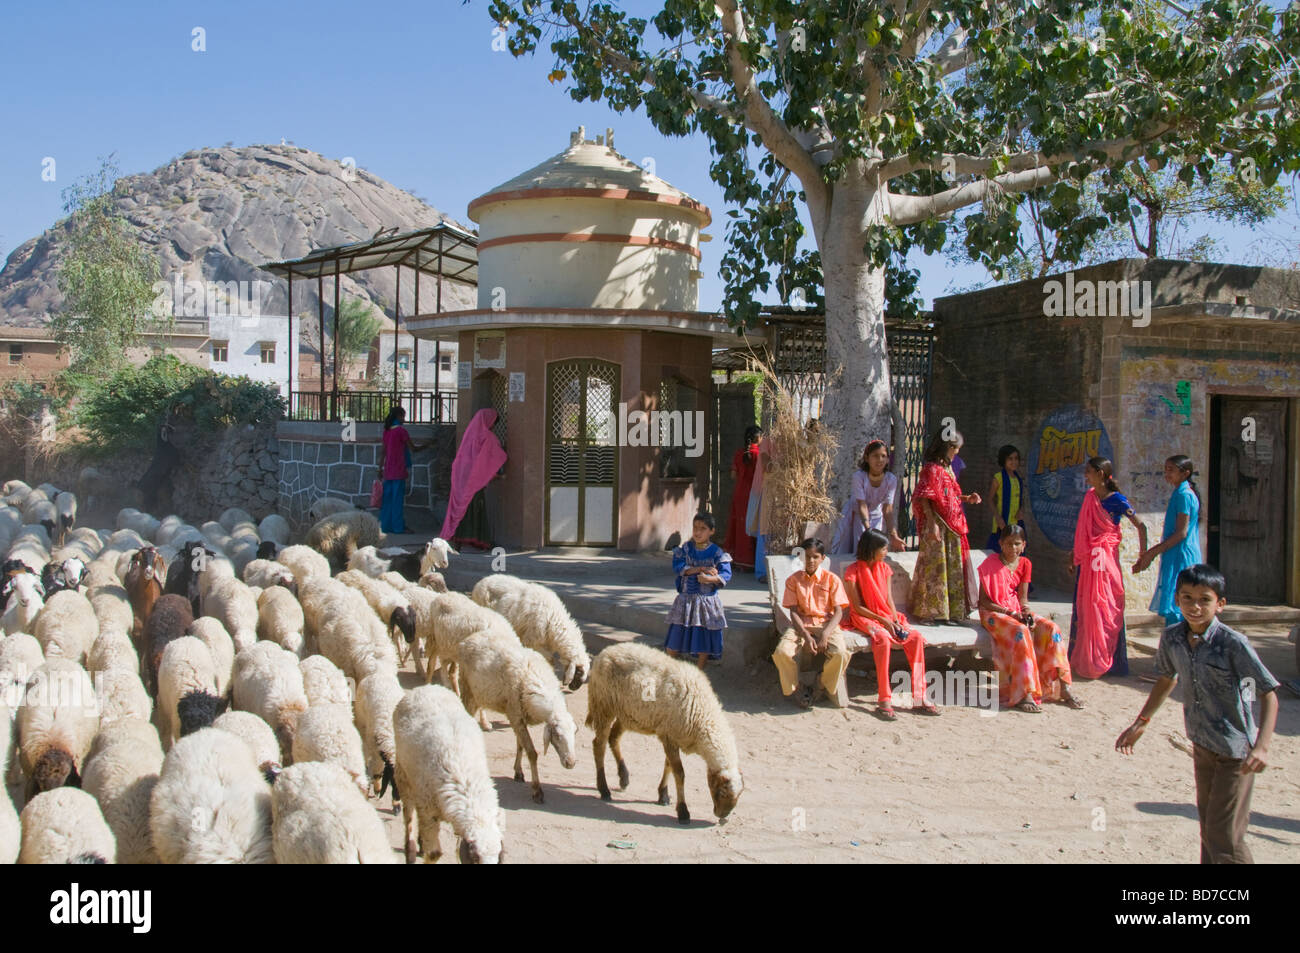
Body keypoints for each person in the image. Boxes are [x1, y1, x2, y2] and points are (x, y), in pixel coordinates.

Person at [1116, 564, 1279, 864]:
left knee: (1225, 837)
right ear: (1176, 599)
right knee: (1209, 829)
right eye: (1187, 598)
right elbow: (1167, 678)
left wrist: (1263, 746)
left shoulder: (1233, 644)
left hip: (1236, 751)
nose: (1195, 606)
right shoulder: (1173, 638)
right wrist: (1142, 722)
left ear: (1220, 604)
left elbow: (1268, 693)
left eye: (1205, 599)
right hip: (1202, 743)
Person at [977, 524, 1083, 713]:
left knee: (1052, 628)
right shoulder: (990, 564)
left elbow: (1023, 599)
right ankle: (1024, 692)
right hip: (993, 614)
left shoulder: (1025, 564)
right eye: (1008, 544)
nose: (1013, 548)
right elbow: (984, 602)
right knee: (1021, 631)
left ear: (1024, 545)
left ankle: (1064, 687)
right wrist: (1011, 614)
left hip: (1015, 610)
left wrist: (1025, 613)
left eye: (1017, 544)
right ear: (1000, 544)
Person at [842, 528, 938, 719]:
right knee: (883, 640)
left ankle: (919, 696)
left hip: (887, 615)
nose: (886, 552)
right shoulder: (853, 571)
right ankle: (884, 698)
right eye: (883, 549)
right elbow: (857, 607)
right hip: (863, 616)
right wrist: (883, 621)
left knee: (915, 638)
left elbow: (889, 600)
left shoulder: (885, 569)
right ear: (872, 550)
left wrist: (894, 620)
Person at [1068, 456, 1147, 679]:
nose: (1086, 475)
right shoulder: (1090, 498)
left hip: (1104, 560)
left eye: (1089, 471)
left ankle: (1110, 661)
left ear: (1100, 474)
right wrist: (1073, 556)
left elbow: (1141, 525)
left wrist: (1144, 555)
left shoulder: (1117, 500)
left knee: (1104, 605)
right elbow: (1082, 531)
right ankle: (1085, 656)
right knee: (1086, 605)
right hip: (1088, 561)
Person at [910, 428, 981, 624]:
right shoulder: (932, 469)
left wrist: (967, 498)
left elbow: (950, 495)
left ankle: (949, 612)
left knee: (952, 569)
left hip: (953, 526)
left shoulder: (947, 469)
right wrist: (932, 524)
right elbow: (925, 498)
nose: (958, 452)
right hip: (938, 525)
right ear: (949, 447)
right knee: (934, 569)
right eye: (957, 448)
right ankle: (929, 612)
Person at [773, 538, 851, 709]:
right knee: (781, 653)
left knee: (841, 653)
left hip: (826, 623)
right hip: (801, 624)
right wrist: (806, 635)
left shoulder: (832, 580)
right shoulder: (793, 580)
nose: (811, 561)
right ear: (801, 557)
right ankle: (798, 687)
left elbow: (839, 611)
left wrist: (825, 634)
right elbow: (793, 612)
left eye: (815, 557)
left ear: (822, 558)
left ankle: (820, 684)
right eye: (807, 556)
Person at [1132, 454, 1202, 627]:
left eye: (1171, 470)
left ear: (1185, 473)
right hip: (1175, 553)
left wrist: (1152, 552)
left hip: (1181, 554)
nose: (1167, 474)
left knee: (1179, 604)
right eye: (1166, 470)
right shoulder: (1179, 493)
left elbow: (1181, 533)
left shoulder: (1184, 495)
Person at [664, 513, 732, 669]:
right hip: (685, 601)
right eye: (695, 528)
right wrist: (701, 569)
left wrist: (709, 580)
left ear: (712, 531)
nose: (698, 532)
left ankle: (699, 672)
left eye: (703, 528)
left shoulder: (717, 553)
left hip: (706, 602)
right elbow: (679, 567)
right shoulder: (686, 549)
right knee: (676, 635)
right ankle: (669, 668)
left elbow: (725, 575)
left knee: (703, 637)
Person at [439, 408, 507, 545]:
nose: (493, 426)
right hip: (474, 480)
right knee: (474, 508)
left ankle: (457, 540)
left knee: (460, 508)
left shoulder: (469, 434)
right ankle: (476, 539)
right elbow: (496, 457)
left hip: (460, 477)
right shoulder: (487, 437)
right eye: (493, 423)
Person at [832, 440, 906, 555]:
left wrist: (894, 535)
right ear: (867, 458)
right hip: (856, 515)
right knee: (858, 548)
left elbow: (887, 509)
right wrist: (868, 530)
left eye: (883, 456)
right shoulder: (859, 477)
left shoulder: (891, 479)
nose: (880, 460)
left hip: (877, 516)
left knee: (875, 551)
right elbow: (862, 504)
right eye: (875, 456)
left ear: (887, 460)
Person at [377, 406, 428, 534]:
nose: (404, 419)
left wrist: (379, 468)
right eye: (403, 416)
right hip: (399, 469)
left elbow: (383, 451)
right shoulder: (401, 431)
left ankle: (385, 526)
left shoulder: (387, 431)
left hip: (388, 470)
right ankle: (398, 527)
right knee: (397, 501)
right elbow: (413, 448)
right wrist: (428, 445)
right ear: (398, 416)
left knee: (387, 500)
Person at [724, 426, 761, 572]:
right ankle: (750, 561)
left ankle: (737, 559)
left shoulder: (739, 453)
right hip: (754, 494)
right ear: (758, 438)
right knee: (752, 525)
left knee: (738, 525)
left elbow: (733, 475)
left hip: (739, 493)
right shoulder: (759, 454)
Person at [985, 444, 1029, 553]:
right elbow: (990, 499)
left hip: (1015, 523)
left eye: (1016, 458)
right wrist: (998, 517)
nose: (1014, 462)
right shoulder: (998, 478)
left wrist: (1021, 510)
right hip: (1002, 523)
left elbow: (1020, 499)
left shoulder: (1018, 479)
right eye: (1010, 459)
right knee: (998, 553)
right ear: (1003, 460)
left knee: (1014, 553)